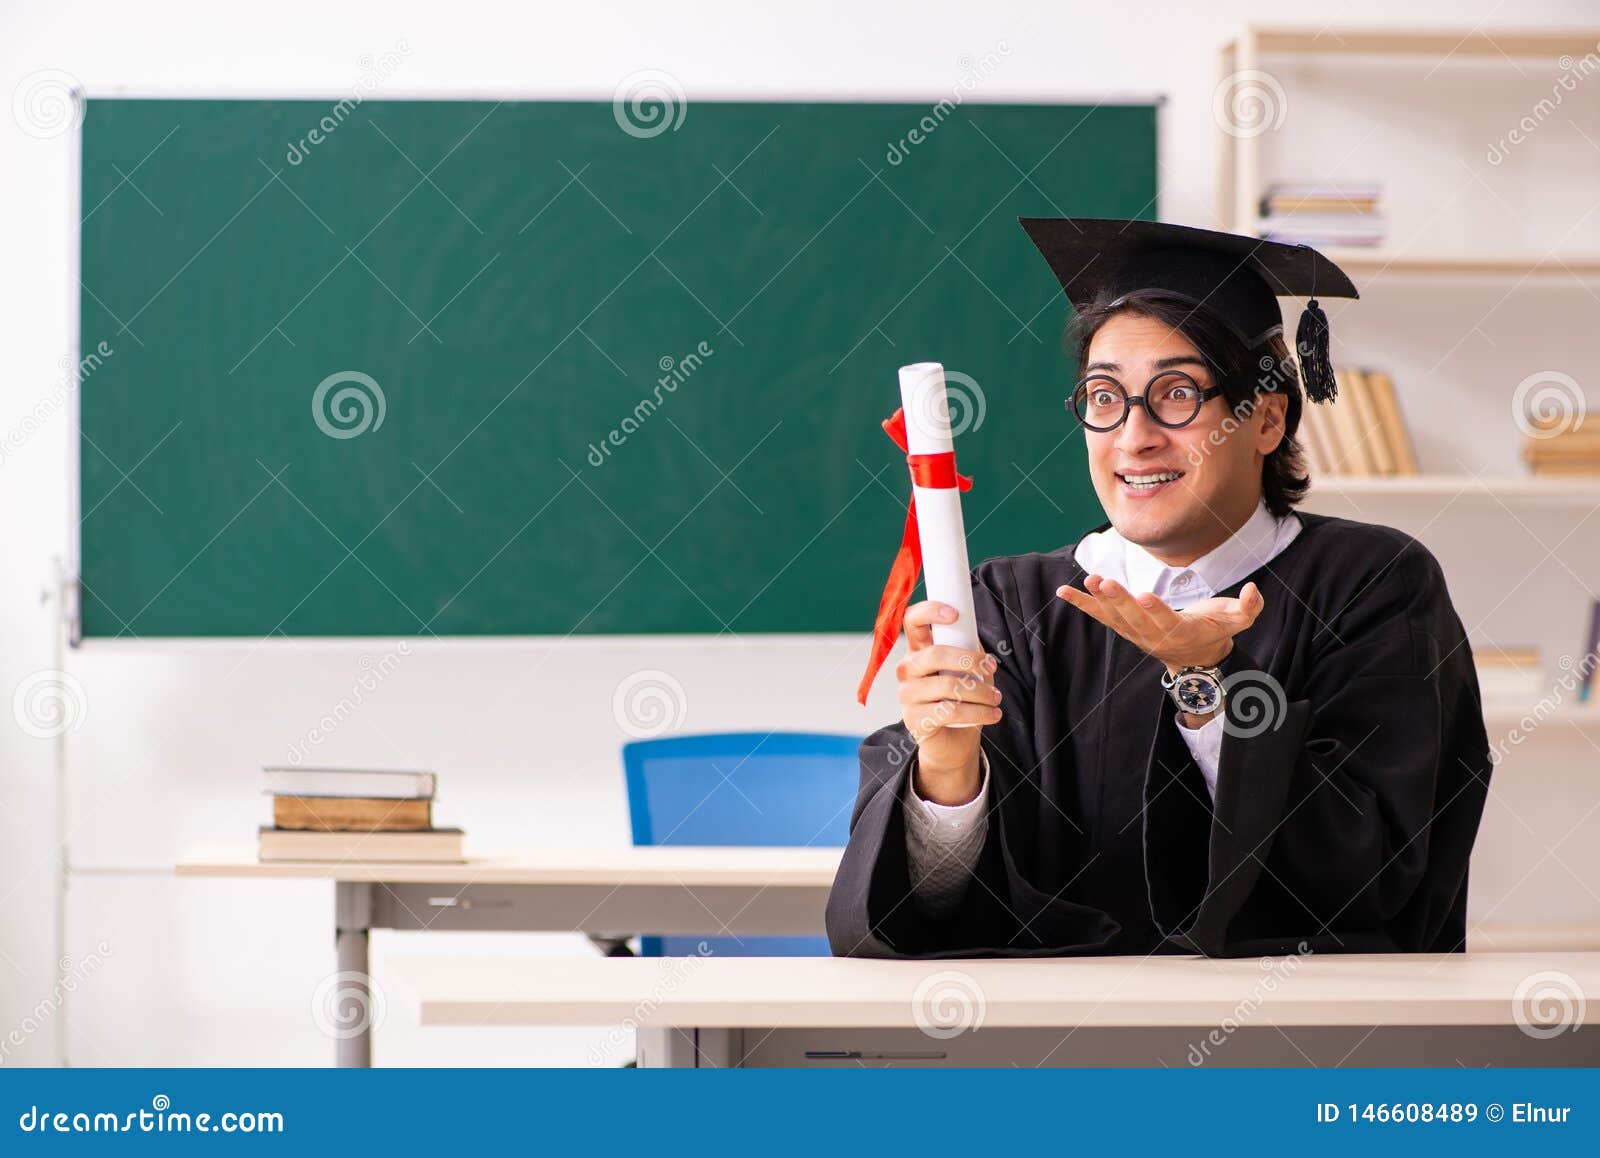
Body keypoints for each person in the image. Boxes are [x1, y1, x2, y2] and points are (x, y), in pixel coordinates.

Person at [828, 218, 1493, 959]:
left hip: (1292, 1049)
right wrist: (948, 774)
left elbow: (1371, 879)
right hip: (1057, 1052)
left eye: (1177, 395)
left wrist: (1208, 688)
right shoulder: (1013, 606)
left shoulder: (1371, 588)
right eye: (1105, 397)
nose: (1134, 437)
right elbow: (934, 913)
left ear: (1266, 418)